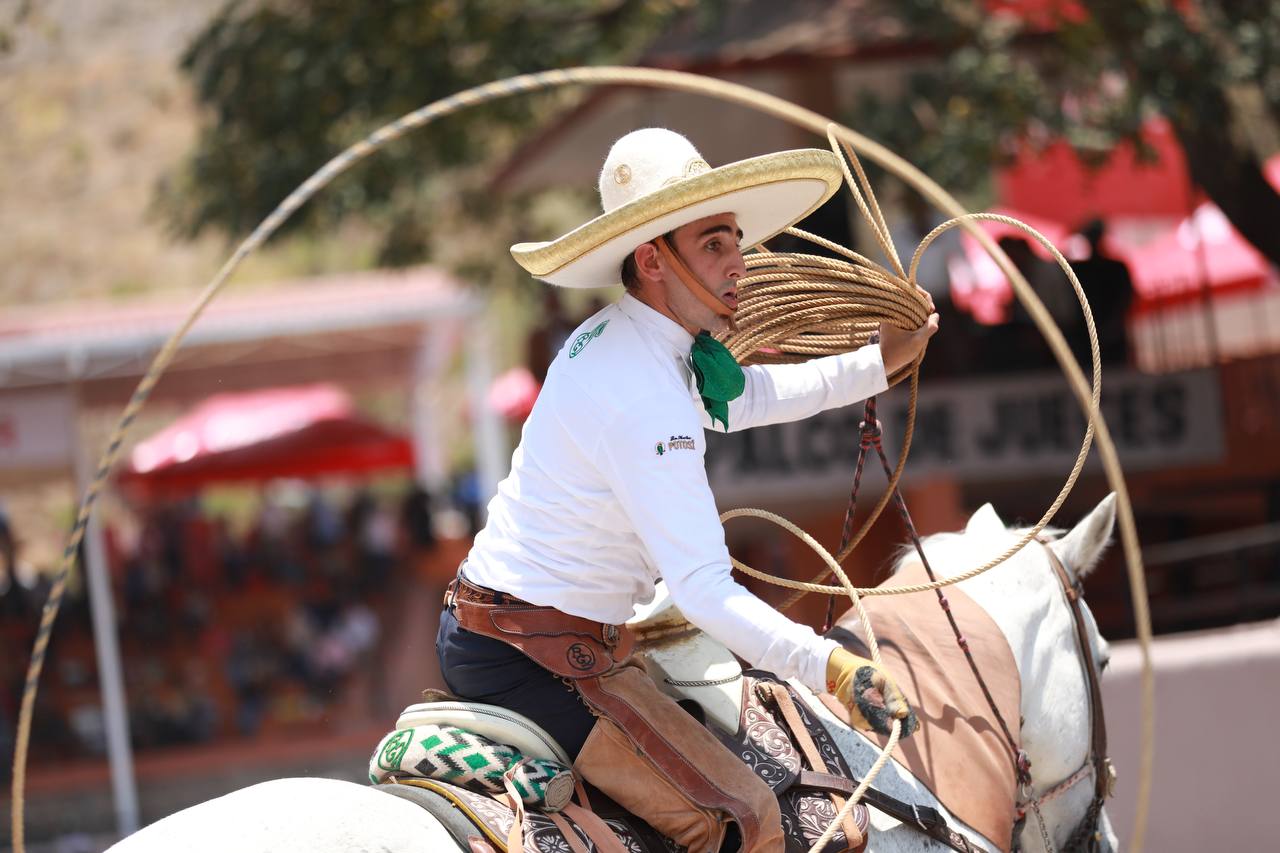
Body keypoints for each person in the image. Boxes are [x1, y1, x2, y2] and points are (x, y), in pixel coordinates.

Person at [437, 128, 938, 852]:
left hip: (532, 626)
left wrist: (874, 365)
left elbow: (750, 395)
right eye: (713, 244)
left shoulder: (635, 342)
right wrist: (831, 665)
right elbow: (703, 587)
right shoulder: (645, 391)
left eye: (734, 239)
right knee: (743, 816)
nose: (740, 262)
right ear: (652, 259)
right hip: (531, 656)